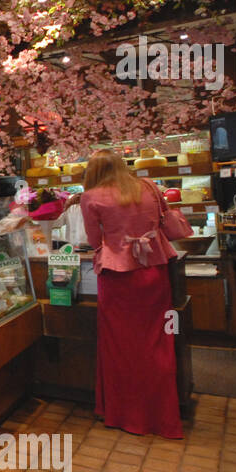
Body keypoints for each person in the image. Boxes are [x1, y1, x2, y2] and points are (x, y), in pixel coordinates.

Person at [78, 150, 184, 439]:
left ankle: (123, 414)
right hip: (154, 270)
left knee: (120, 347)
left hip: (118, 276)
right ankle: (163, 417)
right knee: (157, 344)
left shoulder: (90, 197)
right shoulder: (149, 187)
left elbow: (92, 241)